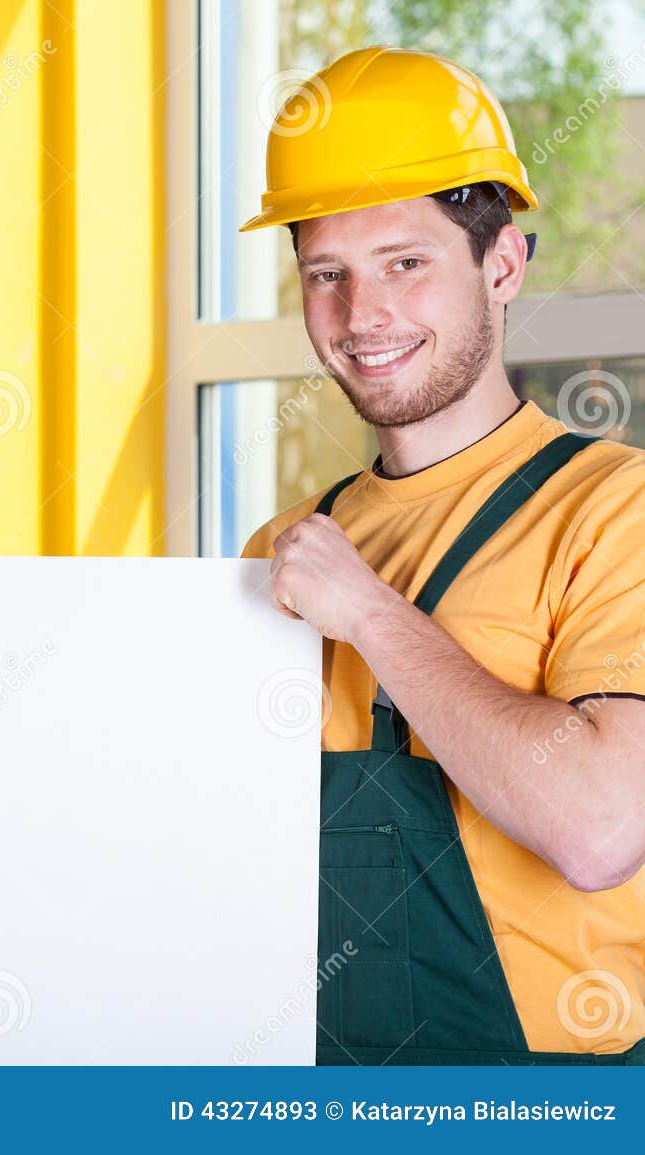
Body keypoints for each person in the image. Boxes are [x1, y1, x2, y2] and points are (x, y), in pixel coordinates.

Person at [241, 46, 645, 1064]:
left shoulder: (611, 510)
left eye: (404, 263)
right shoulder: (280, 551)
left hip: (552, 1108)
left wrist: (371, 615)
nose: (360, 314)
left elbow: (601, 830)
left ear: (501, 264)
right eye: (324, 273)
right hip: (312, 1085)